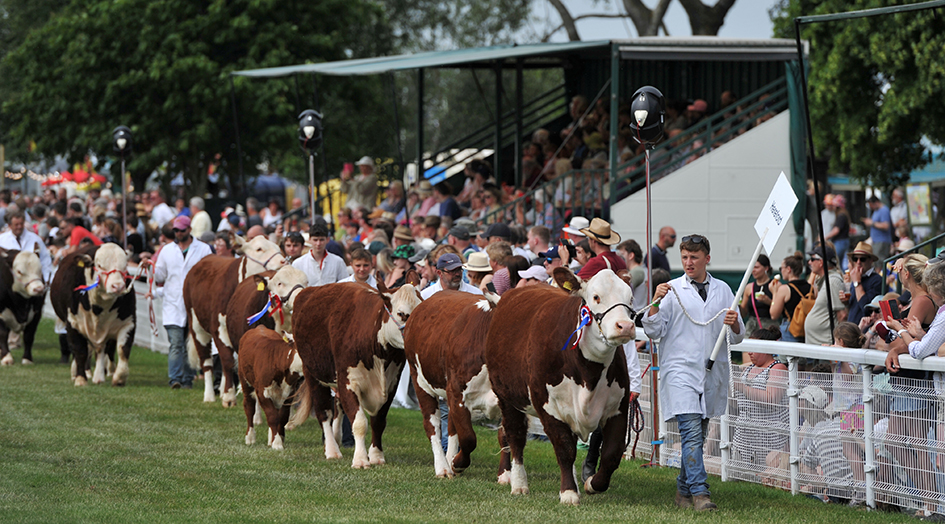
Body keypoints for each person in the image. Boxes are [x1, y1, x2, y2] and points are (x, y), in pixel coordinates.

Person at [643, 234, 744, 511]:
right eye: (684, 257)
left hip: (710, 372)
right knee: (690, 433)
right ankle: (701, 494)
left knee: (697, 435)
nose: (688, 263)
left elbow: (737, 338)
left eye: (694, 258)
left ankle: (682, 492)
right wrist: (654, 301)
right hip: (680, 371)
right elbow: (654, 330)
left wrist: (734, 324)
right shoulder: (672, 290)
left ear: (706, 259)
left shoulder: (724, 290)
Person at [152, 215, 213, 389]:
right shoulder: (166, 250)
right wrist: (150, 267)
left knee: (192, 342)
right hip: (173, 302)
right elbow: (160, 275)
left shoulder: (203, 249)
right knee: (176, 343)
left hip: (196, 302)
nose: (178, 233)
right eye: (176, 230)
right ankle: (175, 379)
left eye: (182, 230)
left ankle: (188, 378)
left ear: (189, 230)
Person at [732, 326, 788, 466]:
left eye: (754, 348)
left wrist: (743, 388)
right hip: (744, 433)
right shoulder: (748, 367)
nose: (749, 352)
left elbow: (772, 399)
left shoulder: (778, 368)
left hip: (769, 435)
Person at [803, 243, 846, 347]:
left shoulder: (833, 281)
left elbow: (842, 315)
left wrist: (837, 343)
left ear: (821, 262)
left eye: (812, 259)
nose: (809, 262)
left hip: (826, 345)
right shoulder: (824, 280)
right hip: (818, 344)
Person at [0, 209, 53, 283]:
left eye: (21, 224)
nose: (19, 227)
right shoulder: (2, 241)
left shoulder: (35, 239)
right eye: (16, 225)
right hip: (9, 283)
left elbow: (45, 260)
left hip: (32, 282)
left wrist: (47, 279)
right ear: (9, 225)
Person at [769, 252, 811, 343]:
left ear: (788, 269)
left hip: (790, 328)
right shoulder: (812, 288)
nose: (781, 271)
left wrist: (774, 293)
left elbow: (773, 314)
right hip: (808, 327)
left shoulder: (784, 289)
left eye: (781, 268)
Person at [740, 254, 780, 334]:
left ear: (766, 268)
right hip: (752, 328)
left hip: (769, 327)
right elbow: (744, 314)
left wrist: (768, 301)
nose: (753, 270)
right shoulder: (749, 287)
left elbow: (780, 311)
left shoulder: (775, 285)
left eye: (756, 267)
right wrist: (738, 305)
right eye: (752, 267)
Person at [846, 242, 882, 325]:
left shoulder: (877, 280)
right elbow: (852, 306)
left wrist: (857, 283)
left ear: (871, 260)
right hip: (852, 326)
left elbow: (867, 309)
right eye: (855, 259)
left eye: (862, 259)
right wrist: (845, 301)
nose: (858, 262)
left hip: (865, 331)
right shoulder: (856, 276)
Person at [861, 195, 893, 265]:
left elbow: (886, 225)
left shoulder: (884, 210)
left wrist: (872, 223)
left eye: (871, 205)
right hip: (875, 240)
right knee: (875, 261)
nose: (871, 207)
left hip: (882, 241)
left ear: (876, 202)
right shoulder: (876, 211)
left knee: (879, 261)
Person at [617, 239, 647, 310]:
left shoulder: (637, 271)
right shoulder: (639, 270)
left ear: (631, 255)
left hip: (636, 313)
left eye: (622, 254)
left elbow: (623, 290)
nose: (619, 258)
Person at [825, 195, 850, 270]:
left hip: (840, 242)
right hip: (844, 241)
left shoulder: (841, 216)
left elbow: (836, 230)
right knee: (841, 263)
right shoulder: (844, 215)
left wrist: (825, 237)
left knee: (836, 262)